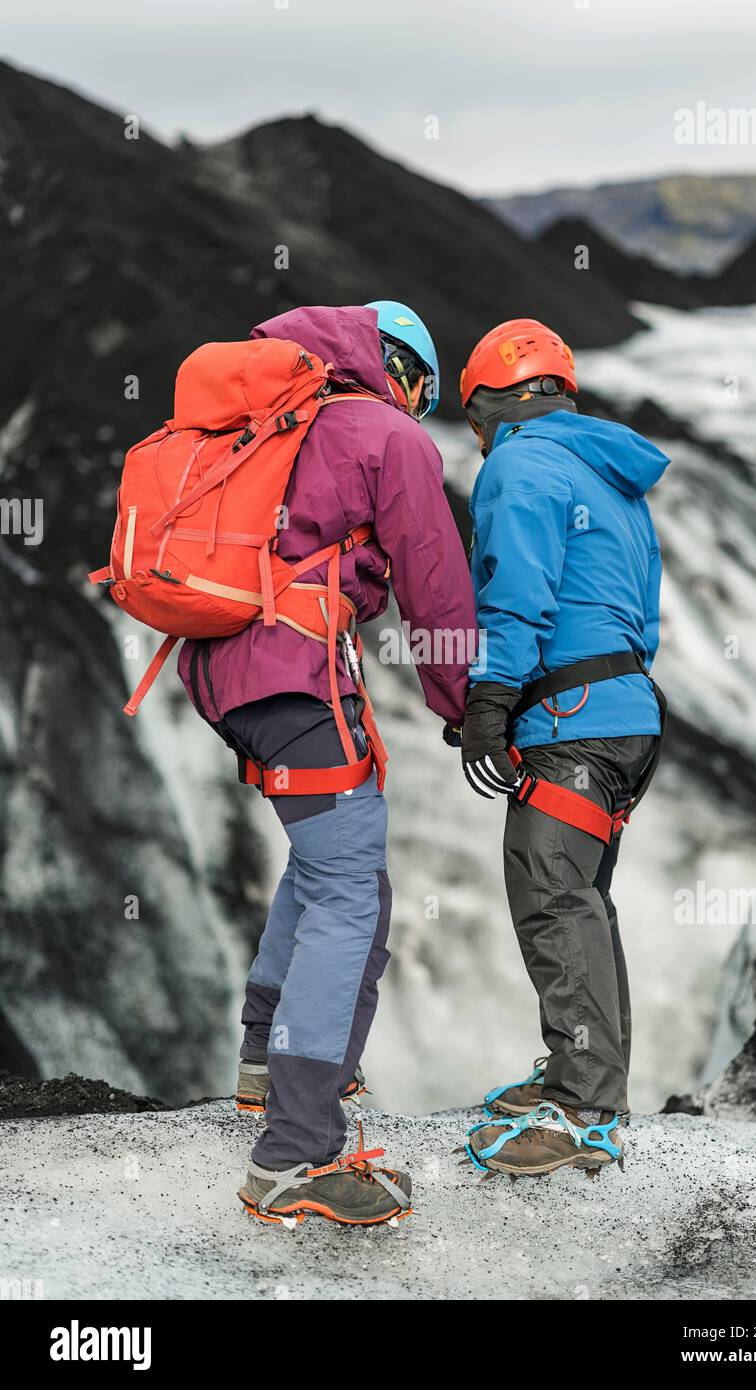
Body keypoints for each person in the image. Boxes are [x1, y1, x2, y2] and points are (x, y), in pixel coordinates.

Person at [177, 302, 476, 1224]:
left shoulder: (266, 417)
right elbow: (435, 583)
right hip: (294, 674)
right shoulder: (387, 434)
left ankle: (264, 1068)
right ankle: (295, 1154)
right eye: (422, 389)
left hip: (221, 672)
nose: (418, 408)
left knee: (320, 865)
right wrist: (466, 705)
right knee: (353, 894)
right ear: (401, 371)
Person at [456, 319, 669, 1178]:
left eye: (474, 423)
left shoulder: (520, 465)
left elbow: (516, 592)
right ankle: (583, 1077)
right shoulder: (610, 476)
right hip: (627, 714)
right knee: (583, 900)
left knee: (551, 894)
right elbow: (635, 612)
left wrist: (491, 700)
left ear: (489, 405)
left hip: (571, 720)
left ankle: (583, 1110)